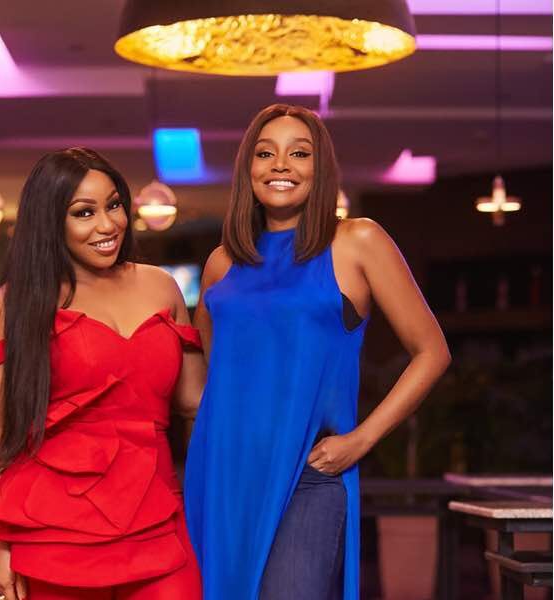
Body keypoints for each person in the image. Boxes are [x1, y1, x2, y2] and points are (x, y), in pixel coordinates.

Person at [184, 104, 451, 600]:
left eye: (299, 153)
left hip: (310, 473)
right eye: (265, 153)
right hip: (224, 472)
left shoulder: (357, 241)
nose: (281, 165)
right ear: (248, 169)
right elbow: (203, 373)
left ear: (320, 167)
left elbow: (432, 351)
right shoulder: (223, 262)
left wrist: (362, 439)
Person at [0, 148, 205, 600]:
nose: (108, 225)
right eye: (84, 212)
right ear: (51, 222)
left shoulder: (162, 286)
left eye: (114, 205)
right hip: (54, 532)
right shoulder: (17, 302)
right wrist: (1, 545)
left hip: (158, 518)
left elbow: (197, 402)